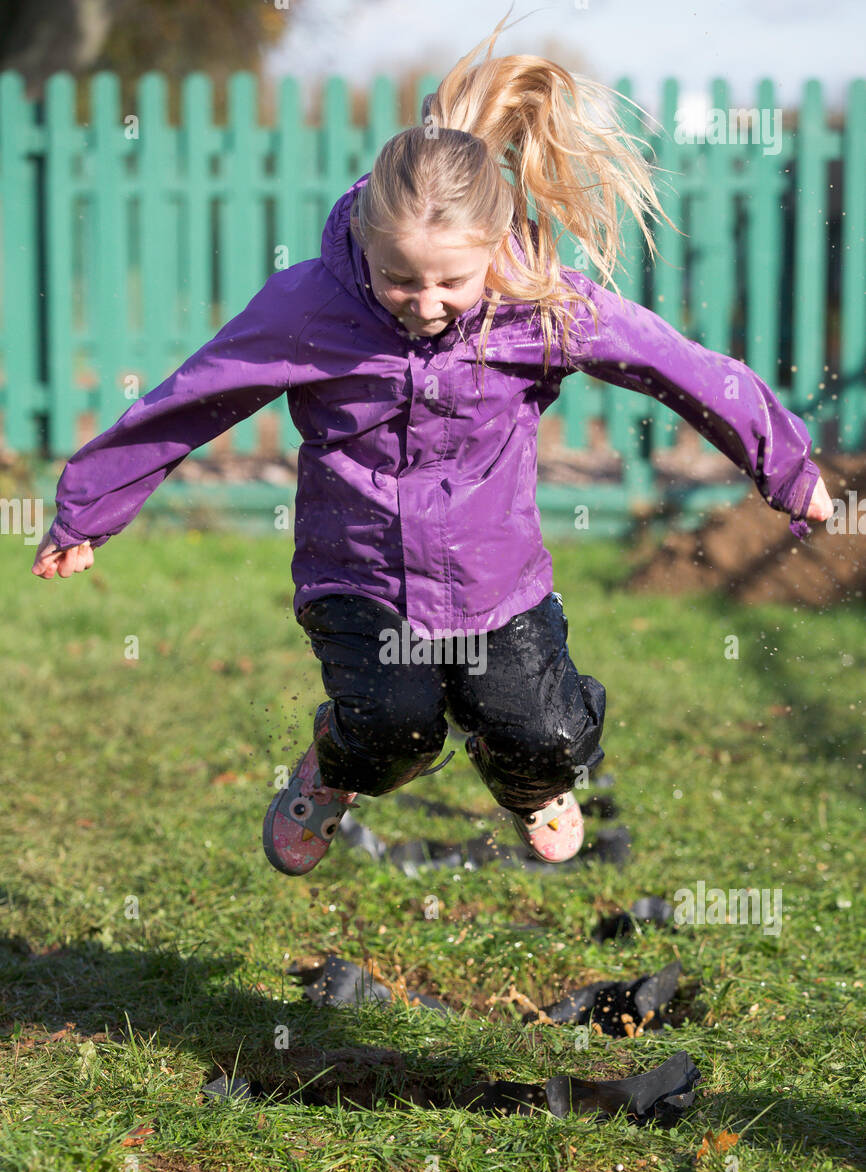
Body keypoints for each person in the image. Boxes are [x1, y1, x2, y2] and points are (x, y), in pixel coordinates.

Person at [31, 15, 833, 876]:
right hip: (359, 576)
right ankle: (333, 768)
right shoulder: (312, 308)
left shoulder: (540, 305)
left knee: (545, 731)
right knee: (393, 729)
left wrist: (785, 466)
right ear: (364, 245)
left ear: (495, 246)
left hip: (499, 582)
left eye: (451, 280)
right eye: (398, 277)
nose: (423, 302)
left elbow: (680, 367)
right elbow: (196, 396)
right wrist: (88, 509)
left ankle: (531, 782)